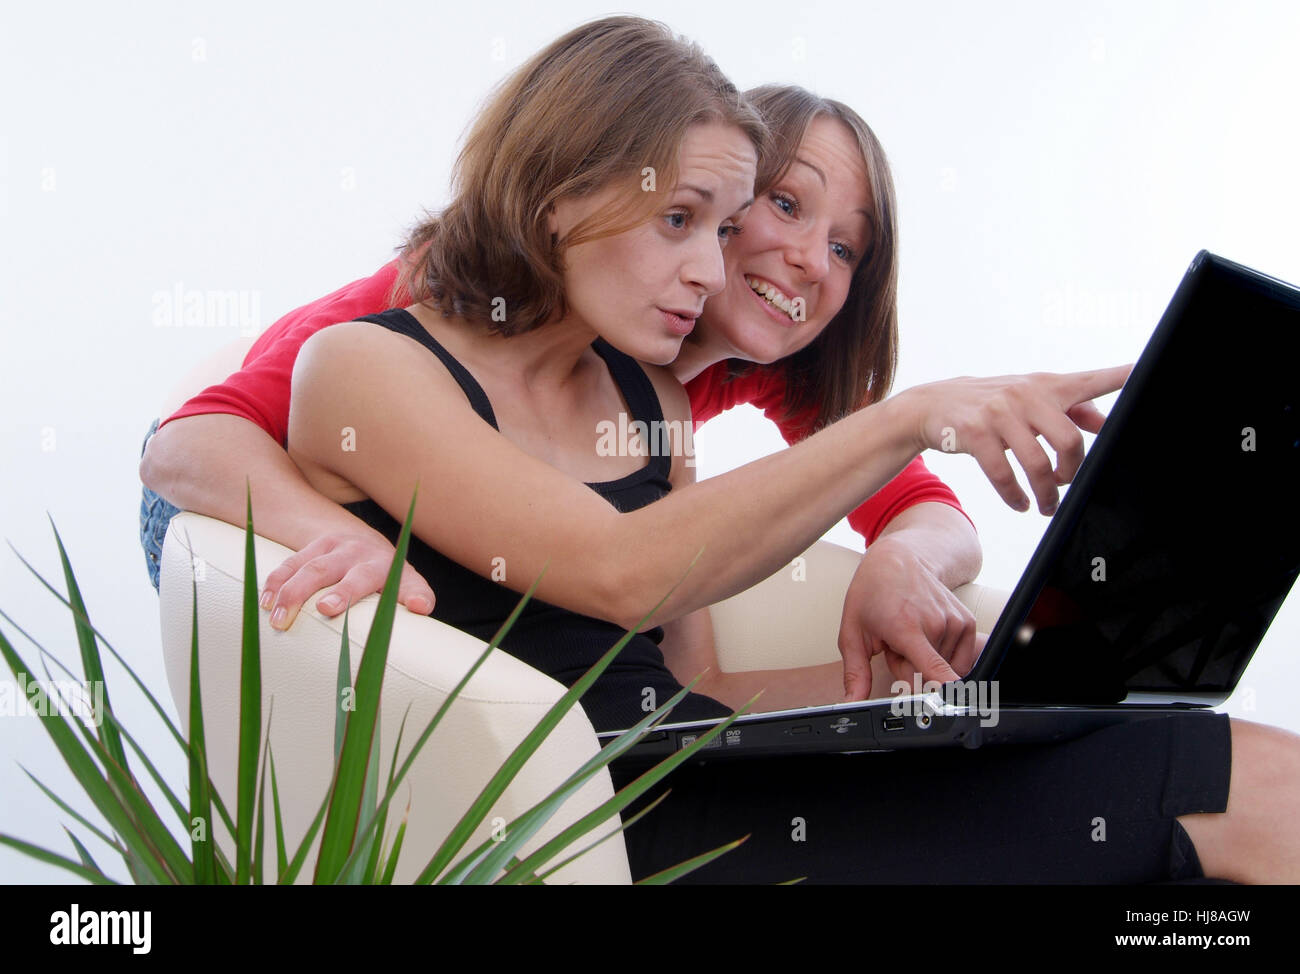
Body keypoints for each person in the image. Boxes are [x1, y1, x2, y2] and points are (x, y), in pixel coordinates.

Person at [139, 17, 1300, 883]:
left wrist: (930, 692)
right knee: (1239, 791)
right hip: (618, 821)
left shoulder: (653, 396)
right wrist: (908, 412)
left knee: (1180, 761)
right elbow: (617, 566)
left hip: (698, 769)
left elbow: (686, 684)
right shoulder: (371, 353)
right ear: (561, 190)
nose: (721, 264)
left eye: (829, 240)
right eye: (689, 219)